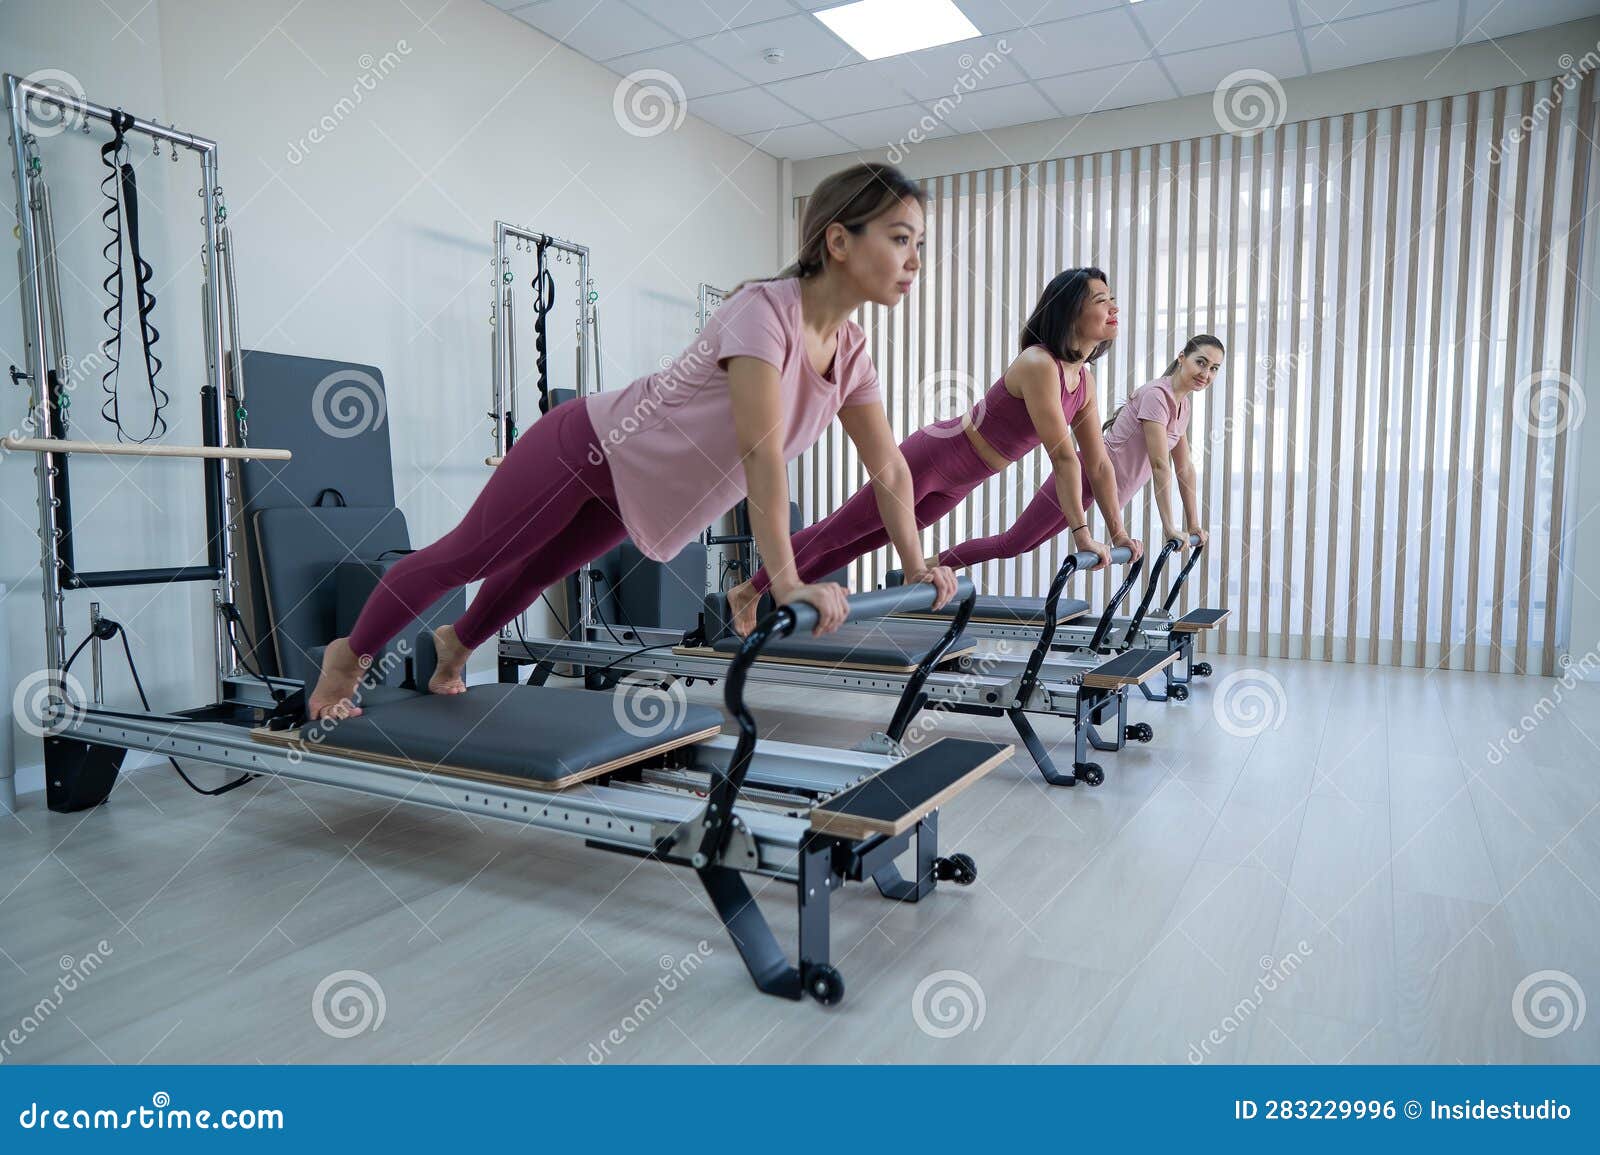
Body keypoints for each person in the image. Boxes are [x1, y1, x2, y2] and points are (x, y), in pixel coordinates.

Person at [307, 162, 958, 721]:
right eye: (901, 240)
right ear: (839, 241)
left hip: (635, 489)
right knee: (470, 555)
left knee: (542, 568)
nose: (915, 262)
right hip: (586, 444)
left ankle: (456, 643)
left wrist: (917, 564)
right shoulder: (765, 313)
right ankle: (348, 656)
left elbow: (892, 472)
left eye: (920, 244)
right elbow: (762, 452)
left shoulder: (850, 350)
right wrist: (784, 585)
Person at [725, 267, 1143, 635]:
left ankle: (778, 595)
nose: (1113, 308)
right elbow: (1065, 457)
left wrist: (1118, 532)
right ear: (1069, 310)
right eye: (1101, 300)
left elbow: (1098, 463)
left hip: (962, 479)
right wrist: (1083, 535)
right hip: (932, 460)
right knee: (840, 531)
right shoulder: (1038, 364)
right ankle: (749, 591)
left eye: (1113, 300)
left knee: (860, 543)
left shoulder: (1083, 380)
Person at [937, 334, 1223, 570]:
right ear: (1182, 358)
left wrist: (1194, 525)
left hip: (1095, 488)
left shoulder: (1182, 406)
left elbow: (1184, 468)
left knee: (1020, 544)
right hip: (1085, 476)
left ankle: (926, 568)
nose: (1206, 374)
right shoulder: (1156, 396)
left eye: (1214, 369)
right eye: (1201, 362)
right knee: (1011, 543)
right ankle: (926, 568)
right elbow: (1161, 465)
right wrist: (1171, 528)